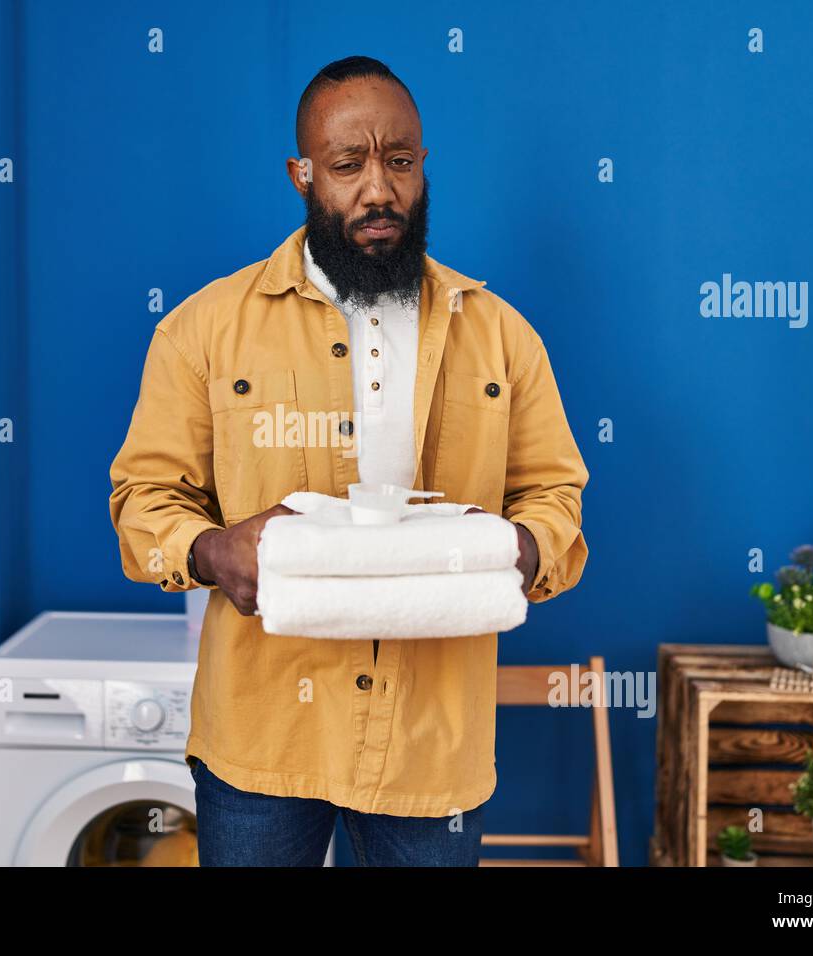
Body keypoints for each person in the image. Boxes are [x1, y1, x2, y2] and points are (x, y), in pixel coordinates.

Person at [108, 55, 589, 866]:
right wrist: (212, 549)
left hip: (431, 744)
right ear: (302, 174)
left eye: (399, 161)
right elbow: (144, 500)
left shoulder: (501, 334)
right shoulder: (203, 329)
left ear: (422, 166)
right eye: (347, 165)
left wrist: (518, 547)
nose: (379, 190)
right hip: (263, 735)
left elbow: (555, 495)